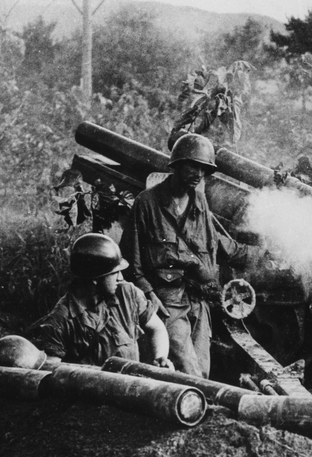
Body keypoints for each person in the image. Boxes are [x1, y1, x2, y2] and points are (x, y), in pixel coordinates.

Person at [120, 132, 254, 378]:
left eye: (204, 169)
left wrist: (260, 256)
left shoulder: (200, 201)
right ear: (177, 165)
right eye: (193, 166)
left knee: (202, 368)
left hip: (198, 298)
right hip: (166, 299)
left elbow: (215, 244)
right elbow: (132, 262)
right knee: (187, 368)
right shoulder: (147, 203)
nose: (198, 174)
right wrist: (149, 296)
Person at [30, 233, 173, 369]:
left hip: (130, 388)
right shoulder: (59, 321)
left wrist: (160, 357)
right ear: (94, 279)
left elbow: (157, 328)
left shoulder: (127, 293)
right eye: (114, 273)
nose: (120, 278)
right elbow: (52, 372)